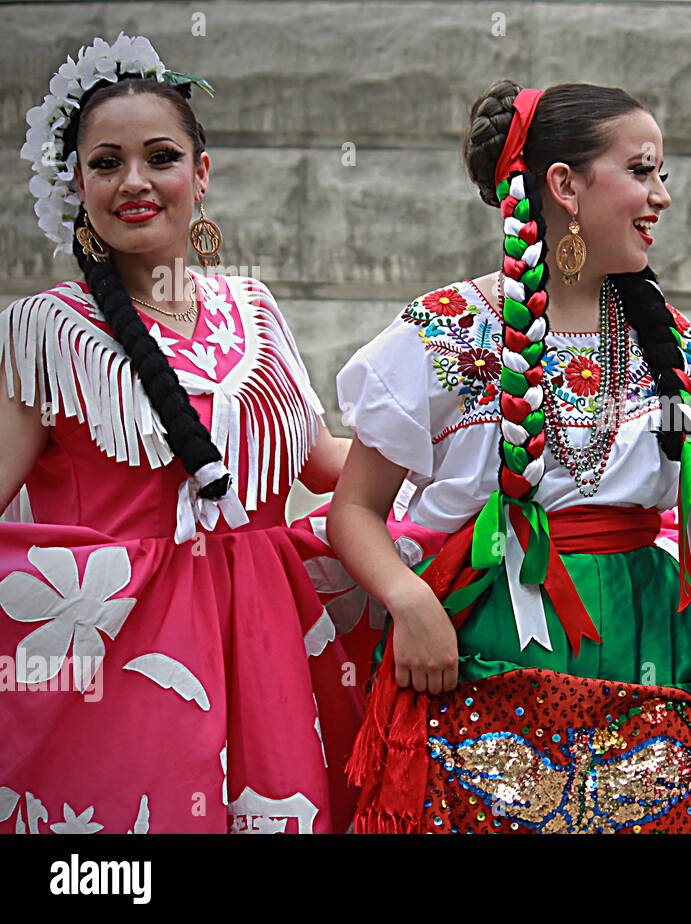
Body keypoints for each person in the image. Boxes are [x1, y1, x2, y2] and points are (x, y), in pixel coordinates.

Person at [329, 80, 691, 834]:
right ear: (565, 186)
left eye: (663, 173)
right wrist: (407, 600)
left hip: (651, 640)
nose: (660, 195)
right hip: (481, 636)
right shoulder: (444, 334)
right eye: (640, 171)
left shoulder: (674, 344)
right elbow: (355, 510)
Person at [0, 34, 370, 833]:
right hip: (125, 659)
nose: (134, 181)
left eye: (159, 156)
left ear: (200, 176)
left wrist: (468, 450)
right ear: (77, 183)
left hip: (271, 647)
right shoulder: (44, 332)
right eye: (106, 162)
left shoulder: (256, 308)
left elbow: (321, 461)